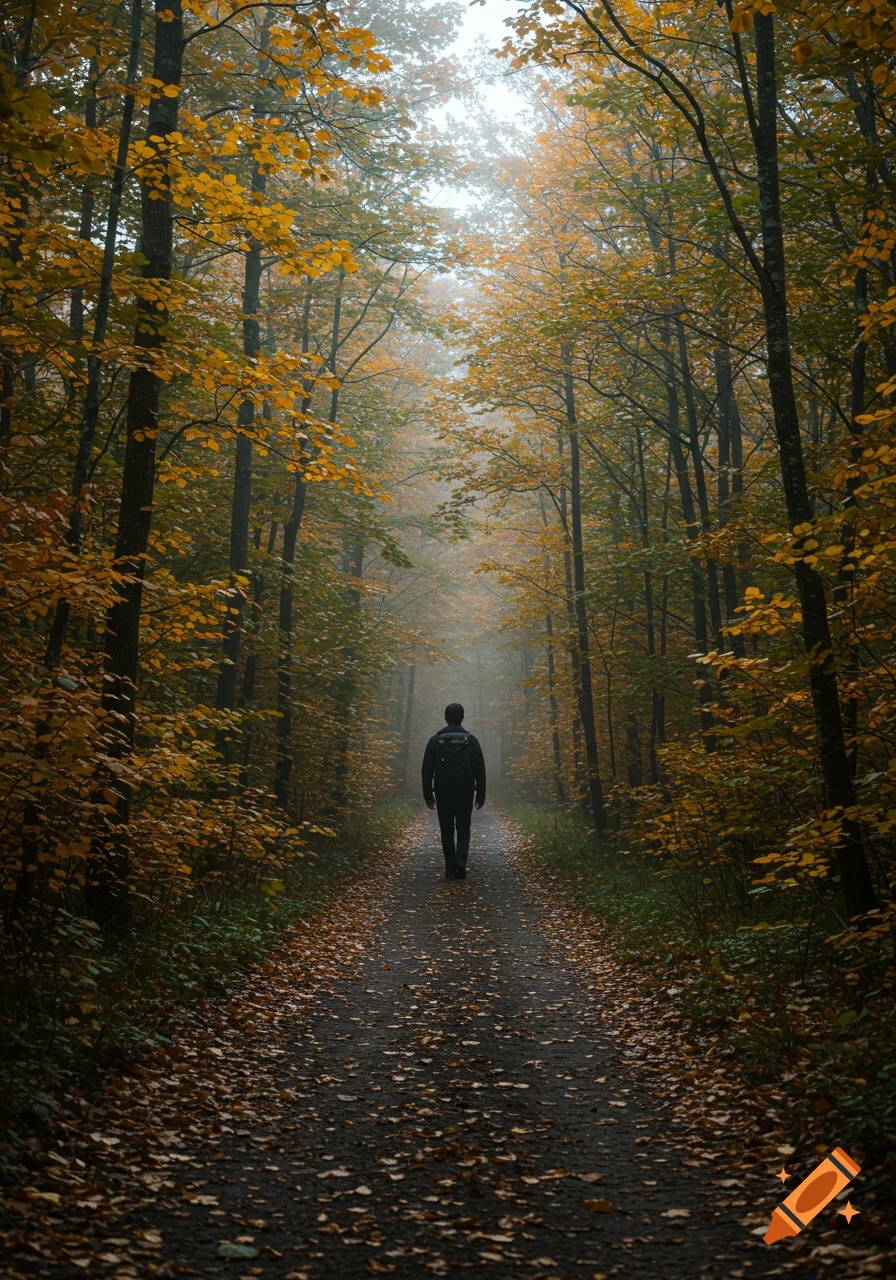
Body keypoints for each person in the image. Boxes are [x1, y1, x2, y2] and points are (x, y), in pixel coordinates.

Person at [421, 703, 486, 880]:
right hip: (465, 790)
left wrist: (428, 794)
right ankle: (461, 862)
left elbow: (427, 770)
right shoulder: (471, 740)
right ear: (462, 717)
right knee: (464, 826)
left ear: (445, 717)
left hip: (443, 790)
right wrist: (481, 793)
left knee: (446, 828)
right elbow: (479, 768)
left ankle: (450, 867)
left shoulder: (435, 741)